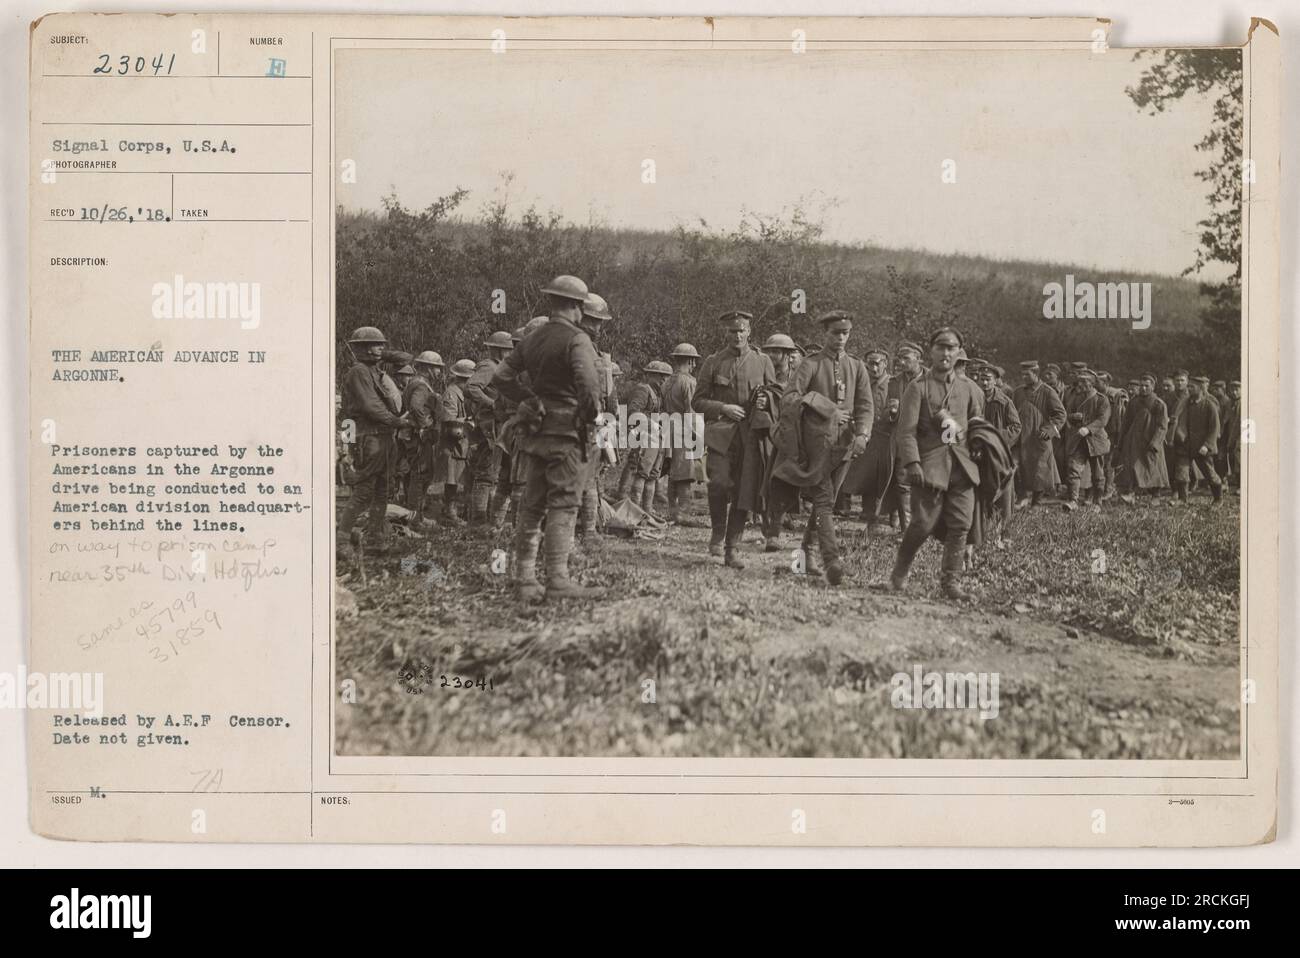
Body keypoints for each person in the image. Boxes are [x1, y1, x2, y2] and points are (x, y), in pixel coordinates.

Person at [491, 275, 607, 601]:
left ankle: (524, 579)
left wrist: (528, 398)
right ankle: (557, 579)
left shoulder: (533, 338)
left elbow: (501, 377)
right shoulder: (578, 340)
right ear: (577, 307)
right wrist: (590, 418)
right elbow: (588, 387)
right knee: (565, 504)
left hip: (537, 435)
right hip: (568, 435)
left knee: (532, 506)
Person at [770, 311, 872, 584]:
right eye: (835, 333)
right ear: (824, 334)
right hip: (816, 446)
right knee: (825, 500)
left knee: (822, 504)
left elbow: (865, 405)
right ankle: (832, 561)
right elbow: (790, 398)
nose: (840, 338)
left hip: (845, 445)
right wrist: (826, 408)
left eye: (845, 333)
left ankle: (805, 555)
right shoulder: (810, 365)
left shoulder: (857, 367)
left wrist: (862, 434)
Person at [888, 327, 984, 600]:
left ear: (958, 352)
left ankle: (950, 583)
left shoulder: (968, 388)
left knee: (961, 524)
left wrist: (978, 448)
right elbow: (905, 432)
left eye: (951, 348)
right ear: (930, 351)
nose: (945, 353)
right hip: (929, 467)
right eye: (940, 347)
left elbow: (977, 424)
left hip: (963, 467)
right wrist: (913, 463)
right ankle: (900, 571)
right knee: (922, 524)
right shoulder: (917, 387)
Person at [693, 310, 777, 568]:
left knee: (745, 491)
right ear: (725, 333)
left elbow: (777, 394)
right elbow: (696, 401)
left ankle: (732, 548)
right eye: (732, 331)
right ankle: (717, 532)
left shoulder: (762, 361)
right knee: (717, 483)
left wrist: (767, 400)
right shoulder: (713, 362)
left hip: (751, 436)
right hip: (722, 435)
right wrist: (722, 408)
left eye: (742, 330)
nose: (737, 335)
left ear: (749, 332)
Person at [337, 326, 406, 557]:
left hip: (382, 436)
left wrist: (381, 353)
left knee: (382, 490)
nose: (382, 348)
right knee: (364, 491)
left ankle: (376, 539)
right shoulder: (358, 371)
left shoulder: (372, 369)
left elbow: (406, 358)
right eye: (376, 345)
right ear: (364, 348)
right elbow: (370, 406)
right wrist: (396, 421)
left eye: (382, 345)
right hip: (368, 436)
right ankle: (341, 541)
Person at [463, 330, 515, 523]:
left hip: (497, 425)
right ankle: (477, 521)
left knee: (498, 475)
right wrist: (490, 403)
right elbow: (471, 387)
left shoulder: (499, 368)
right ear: (500, 351)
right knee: (486, 475)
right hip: (490, 427)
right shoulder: (490, 367)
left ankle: (486, 520)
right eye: (508, 351)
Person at [972, 362, 1021, 545]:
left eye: (988, 380)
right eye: (981, 379)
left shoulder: (1005, 402)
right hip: (978, 455)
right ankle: (982, 532)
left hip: (1000, 455)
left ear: (996, 381)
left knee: (1004, 493)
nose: (984, 383)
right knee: (981, 492)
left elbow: (1016, 427)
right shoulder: (974, 399)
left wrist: (996, 438)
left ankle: (1005, 534)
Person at [617, 360, 672, 515]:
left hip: (654, 437)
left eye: (666, 377)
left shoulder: (657, 393)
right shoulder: (642, 389)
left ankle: (646, 509)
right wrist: (651, 424)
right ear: (649, 375)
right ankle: (633, 507)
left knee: (652, 474)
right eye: (660, 376)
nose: (663, 379)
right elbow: (633, 412)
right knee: (640, 471)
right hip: (643, 436)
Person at [1012, 360, 1066, 508]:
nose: (1023, 377)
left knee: (1040, 470)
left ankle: (1037, 502)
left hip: (1039, 437)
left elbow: (1061, 414)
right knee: (1015, 466)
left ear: (1035, 374)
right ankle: (1021, 496)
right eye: (1022, 374)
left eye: (1027, 374)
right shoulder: (1018, 392)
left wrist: (1049, 430)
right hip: (1021, 437)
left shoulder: (1048, 392)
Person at [401, 350, 446, 530]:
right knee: (420, 476)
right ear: (427, 368)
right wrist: (425, 425)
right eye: (436, 369)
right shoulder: (420, 385)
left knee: (420, 475)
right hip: (418, 438)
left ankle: (416, 515)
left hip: (416, 436)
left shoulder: (419, 383)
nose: (439, 373)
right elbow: (416, 407)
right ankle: (415, 518)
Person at [661, 343, 702, 525]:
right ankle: (683, 512)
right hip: (684, 428)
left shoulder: (667, 382)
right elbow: (691, 410)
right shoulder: (689, 381)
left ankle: (672, 509)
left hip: (668, 426)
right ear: (691, 361)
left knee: (673, 469)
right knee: (685, 470)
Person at [431, 359, 475, 524]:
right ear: (466, 379)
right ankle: (449, 513)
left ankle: (455, 511)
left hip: (461, 444)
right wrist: (469, 421)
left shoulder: (462, 393)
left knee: (458, 479)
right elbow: (449, 420)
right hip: (452, 444)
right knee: (452, 480)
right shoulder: (451, 393)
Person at [887, 342, 926, 532]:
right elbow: (889, 412)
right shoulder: (895, 382)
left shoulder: (931, 380)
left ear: (918, 359)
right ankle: (907, 529)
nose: (901, 362)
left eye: (906, 359)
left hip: (926, 439)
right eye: (900, 359)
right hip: (904, 438)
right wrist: (892, 412)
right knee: (903, 481)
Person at [1061, 370, 1111, 512]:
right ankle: (1073, 501)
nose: (1080, 385)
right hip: (1078, 439)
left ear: (1092, 383)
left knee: (1097, 473)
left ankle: (1097, 502)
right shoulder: (1075, 398)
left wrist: (1088, 429)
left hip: (1095, 440)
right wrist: (1072, 417)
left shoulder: (1101, 399)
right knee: (1073, 469)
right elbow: (1067, 415)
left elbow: (1102, 419)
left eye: (1084, 382)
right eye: (1079, 381)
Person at [1115, 373, 1169, 503]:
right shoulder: (1134, 402)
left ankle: (1156, 495)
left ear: (1153, 387)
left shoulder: (1158, 404)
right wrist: (1121, 441)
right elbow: (1126, 423)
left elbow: (1162, 426)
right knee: (1133, 467)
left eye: (1146, 386)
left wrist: (1155, 442)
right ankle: (1131, 494)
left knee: (1153, 467)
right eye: (1142, 386)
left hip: (1151, 441)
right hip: (1134, 441)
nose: (1143, 388)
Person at [1169, 375, 1223, 505]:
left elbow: (1214, 428)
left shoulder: (1209, 405)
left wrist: (1207, 445)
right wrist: (1177, 436)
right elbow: (1178, 421)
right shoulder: (1184, 404)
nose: (1189, 389)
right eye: (1189, 386)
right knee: (1181, 472)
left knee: (1210, 474)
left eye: (1192, 387)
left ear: (1200, 388)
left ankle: (1218, 498)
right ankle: (1182, 499)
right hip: (1185, 444)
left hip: (1202, 447)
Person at [1224, 380, 1241, 493]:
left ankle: (1242, 485)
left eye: (1237, 390)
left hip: (1243, 433)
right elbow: (1226, 419)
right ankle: (1236, 483)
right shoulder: (1230, 403)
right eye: (1232, 390)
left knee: (1239, 457)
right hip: (1232, 434)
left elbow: (1240, 423)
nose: (1234, 392)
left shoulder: (1244, 402)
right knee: (1232, 458)